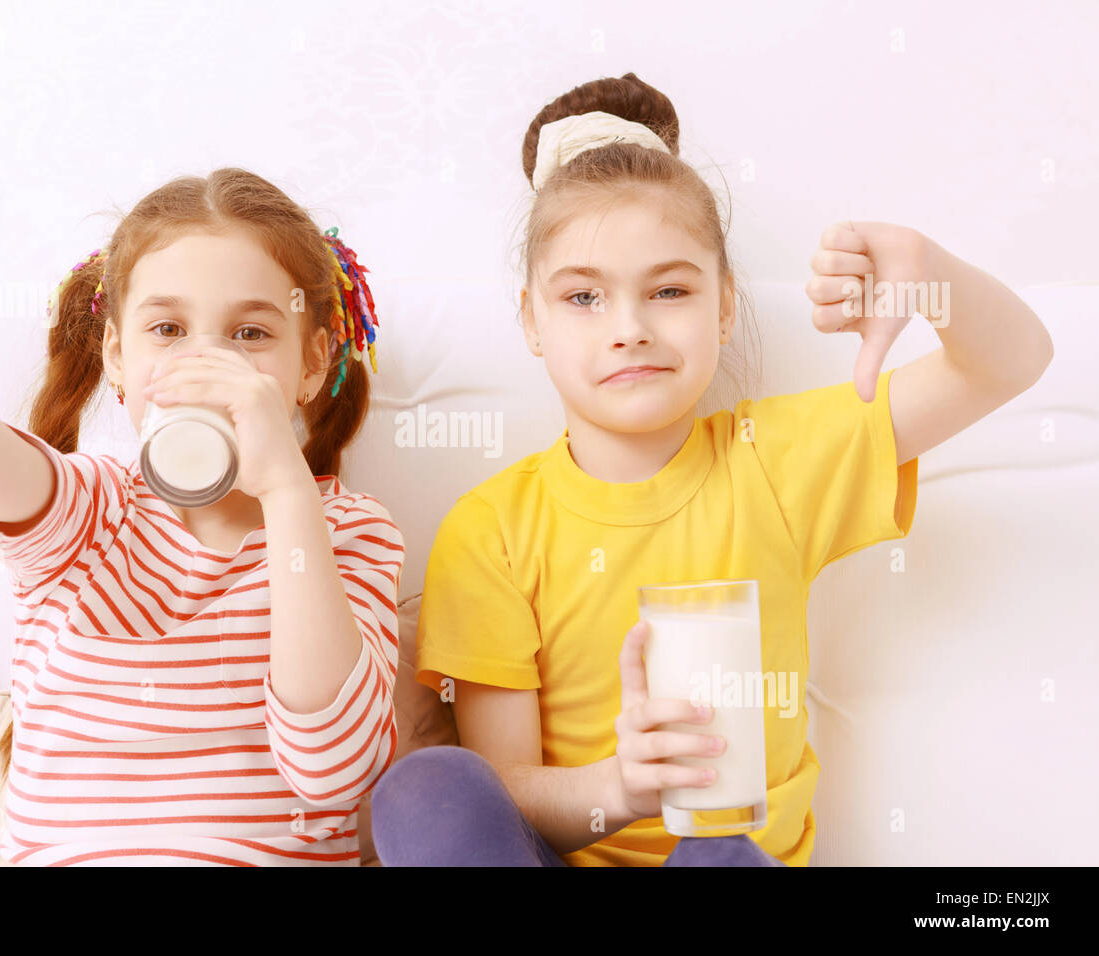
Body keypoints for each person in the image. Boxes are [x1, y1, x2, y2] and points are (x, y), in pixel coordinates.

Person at [372, 72, 1053, 867]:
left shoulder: (776, 463)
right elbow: (506, 787)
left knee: (714, 853)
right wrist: (617, 789)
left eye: (668, 290)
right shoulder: (489, 530)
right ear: (532, 320)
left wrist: (930, 271)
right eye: (584, 297)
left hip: (729, 860)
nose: (629, 328)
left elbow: (1013, 361)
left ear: (724, 307)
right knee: (425, 788)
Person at [0, 168, 404, 866]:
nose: (206, 363)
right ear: (116, 356)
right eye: (168, 329)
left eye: (251, 333)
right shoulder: (96, 510)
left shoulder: (349, 531)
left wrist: (288, 495)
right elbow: (9, 476)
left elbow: (336, 770)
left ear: (313, 363)